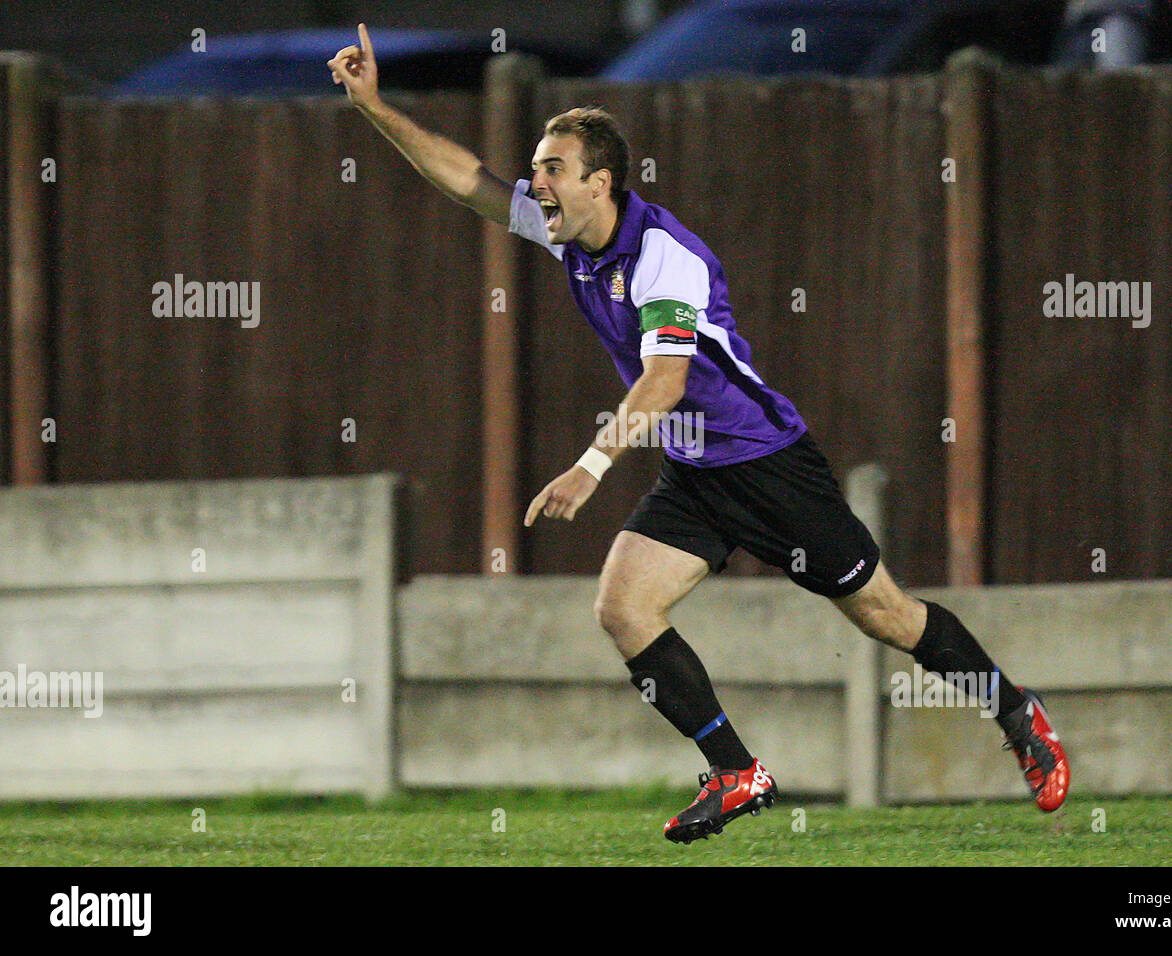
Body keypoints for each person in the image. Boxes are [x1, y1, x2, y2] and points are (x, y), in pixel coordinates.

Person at [328, 24, 1069, 843]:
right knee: (623, 607)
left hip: (768, 463)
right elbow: (465, 178)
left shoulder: (661, 255)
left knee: (886, 616)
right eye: (536, 167)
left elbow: (666, 380)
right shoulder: (569, 231)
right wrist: (373, 108)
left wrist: (591, 465)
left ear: (598, 182)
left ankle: (1018, 713)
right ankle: (736, 772)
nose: (532, 182)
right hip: (695, 472)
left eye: (550, 168)